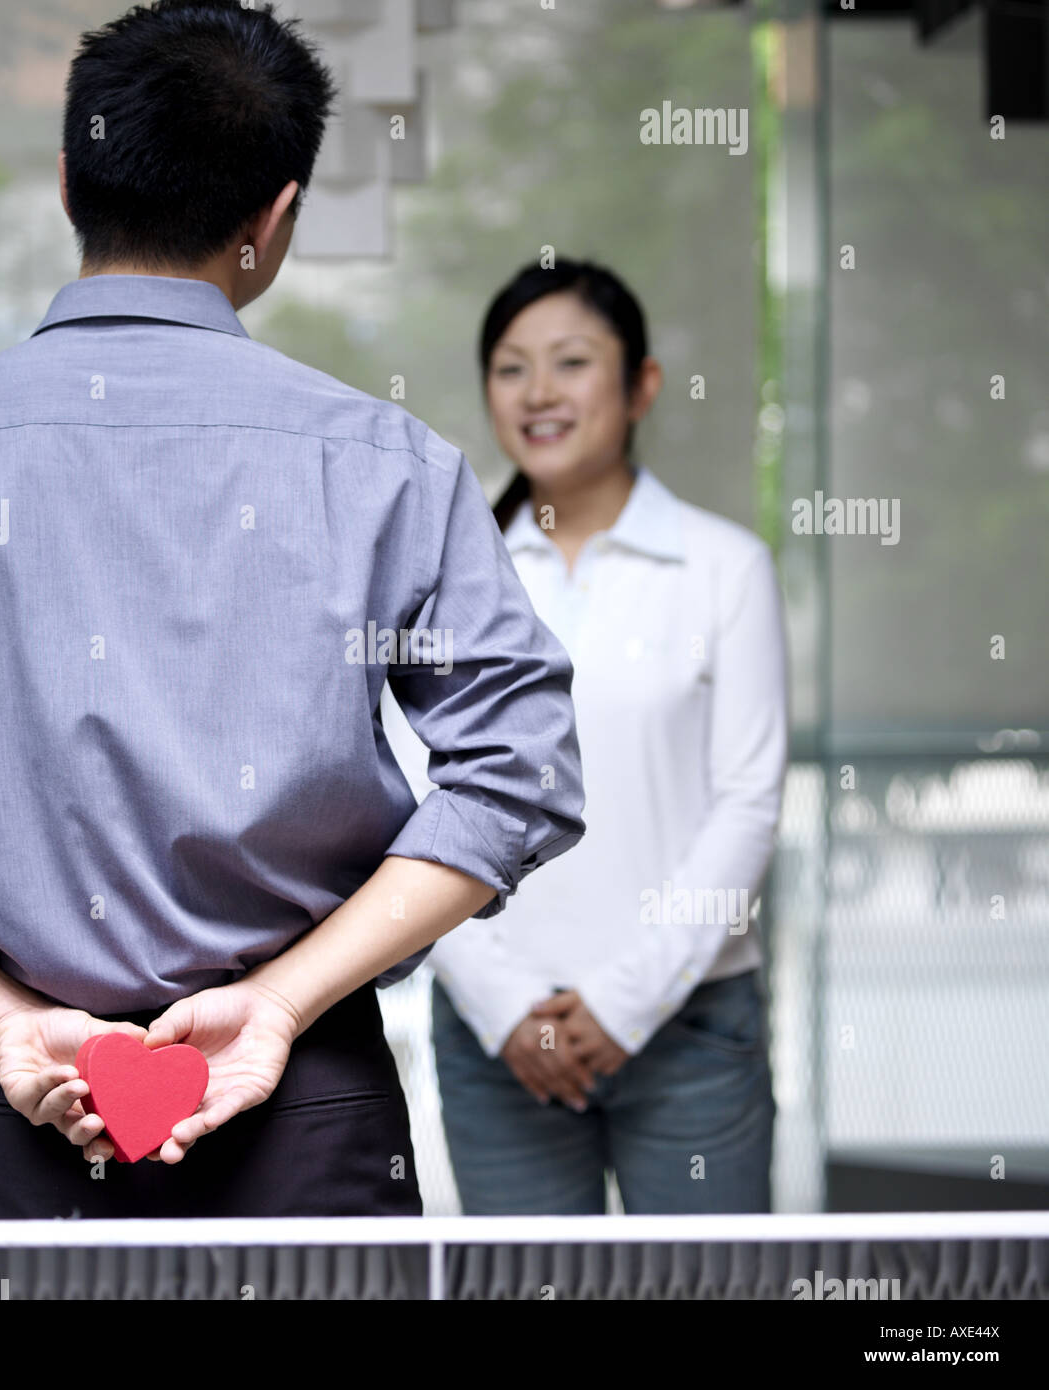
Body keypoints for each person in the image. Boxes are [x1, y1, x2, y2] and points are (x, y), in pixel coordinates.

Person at [0, 1, 586, 1219]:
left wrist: (0, 1013)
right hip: (306, 1104)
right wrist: (283, 1000)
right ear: (276, 217)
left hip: (23, 1095)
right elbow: (521, 773)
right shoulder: (386, 463)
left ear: (67, 182)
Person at [384, 258, 788, 1214]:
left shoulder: (725, 568)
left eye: (571, 362)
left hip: (692, 1027)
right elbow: (405, 803)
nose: (539, 393)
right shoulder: (441, 579)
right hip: (499, 1036)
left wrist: (622, 1004)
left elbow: (749, 804)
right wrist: (510, 1006)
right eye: (511, 368)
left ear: (642, 383)